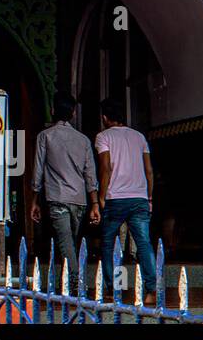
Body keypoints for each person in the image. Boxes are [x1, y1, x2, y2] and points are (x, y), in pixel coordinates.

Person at [30, 95, 100, 290]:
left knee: (66, 243)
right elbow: (90, 174)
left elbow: (38, 171)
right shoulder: (83, 140)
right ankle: (69, 283)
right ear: (73, 113)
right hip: (80, 200)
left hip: (58, 198)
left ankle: (76, 283)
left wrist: (34, 200)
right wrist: (95, 204)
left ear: (53, 111)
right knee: (69, 243)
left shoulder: (45, 136)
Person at [96, 99, 157, 305]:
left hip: (116, 198)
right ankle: (151, 291)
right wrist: (148, 197)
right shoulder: (139, 137)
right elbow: (149, 171)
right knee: (144, 243)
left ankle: (116, 289)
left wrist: (101, 196)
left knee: (110, 245)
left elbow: (106, 168)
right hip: (139, 198)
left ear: (105, 117)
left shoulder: (103, 137)